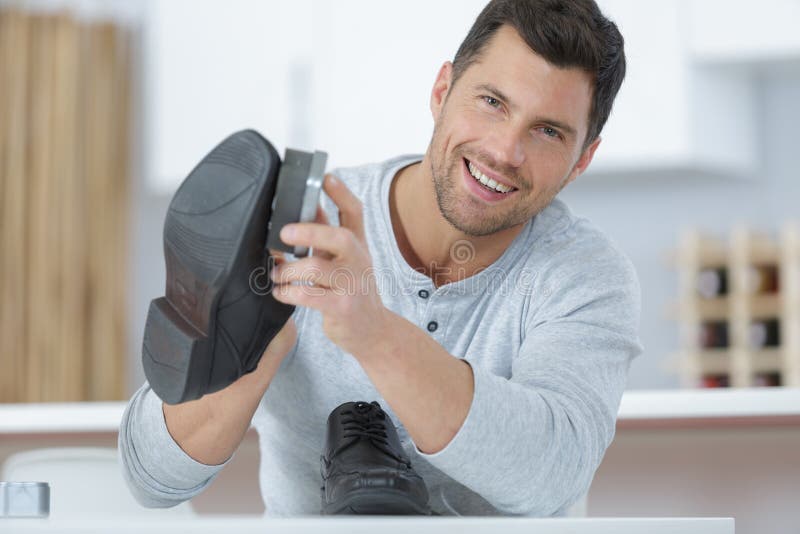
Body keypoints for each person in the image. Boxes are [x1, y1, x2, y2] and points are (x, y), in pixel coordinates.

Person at [119, 0, 642, 517]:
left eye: (548, 131)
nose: (505, 151)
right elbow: (153, 479)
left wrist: (375, 335)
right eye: (491, 102)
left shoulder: (584, 276)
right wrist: (250, 334)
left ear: (583, 159)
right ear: (442, 91)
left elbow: (551, 476)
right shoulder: (312, 226)